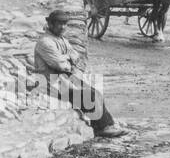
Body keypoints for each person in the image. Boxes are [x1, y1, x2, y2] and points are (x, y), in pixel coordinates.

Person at [32, 10, 125, 139]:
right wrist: (68, 60)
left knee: (95, 92)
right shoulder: (45, 42)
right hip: (50, 85)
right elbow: (60, 65)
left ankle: (108, 124)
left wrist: (67, 61)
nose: (63, 27)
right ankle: (102, 128)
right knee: (89, 96)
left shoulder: (62, 39)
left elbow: (76, 58)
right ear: (51, 24)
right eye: (59, 24)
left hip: (64, 80)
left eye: (65, 24)